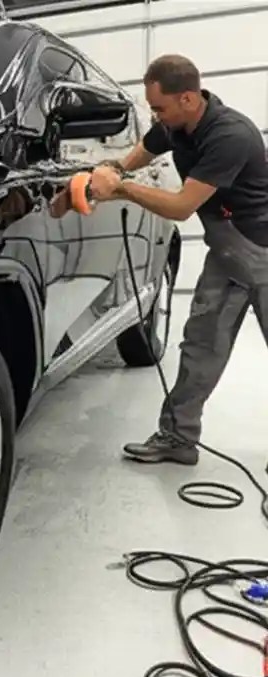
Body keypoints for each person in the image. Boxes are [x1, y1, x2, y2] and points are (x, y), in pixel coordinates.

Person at [82, 54, 268, 465]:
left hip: (263, 249)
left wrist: (122, 189)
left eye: (160, 108)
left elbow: (182, 207)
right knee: (200, 346)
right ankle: (179, 438)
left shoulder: (229, 135)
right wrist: (113, 168)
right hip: (228, 252)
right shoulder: (175, 126)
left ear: (188, 98)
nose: (155, 116)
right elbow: (142, 152)